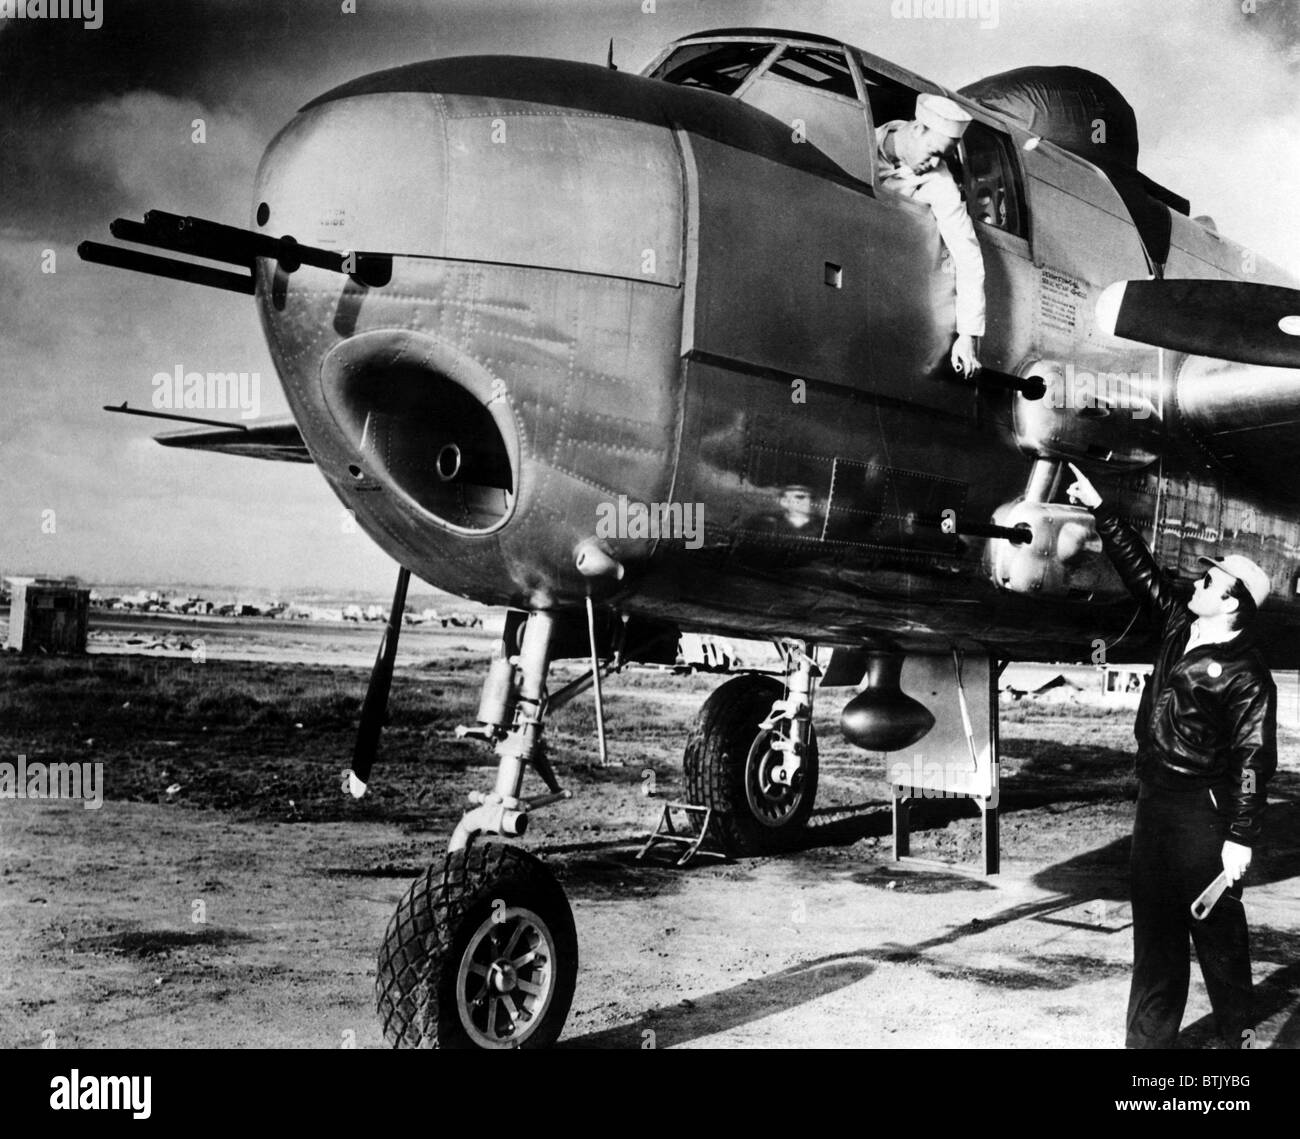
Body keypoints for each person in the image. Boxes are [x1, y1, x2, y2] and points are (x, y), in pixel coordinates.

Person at [1065, 462, 1276, 1049]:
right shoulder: (1180, 629)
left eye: (1211, 584)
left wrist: (1240, 835)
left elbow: (1256, 758)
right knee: (1155, 940)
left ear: (1232, 605)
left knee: (1217, 939)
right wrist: (1102, 509)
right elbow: (1142, 573)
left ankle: (1239, 1040)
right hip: (1154, 804)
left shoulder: (1246, 674)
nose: (1197, 585)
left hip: (1202, 817)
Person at [876, 93, 986, 379]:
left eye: (942, 156)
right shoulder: (854, 139)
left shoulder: (939, 180)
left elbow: (968, 254)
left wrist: (968, 336)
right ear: (915, 129)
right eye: (933, 151)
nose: (935, 162)